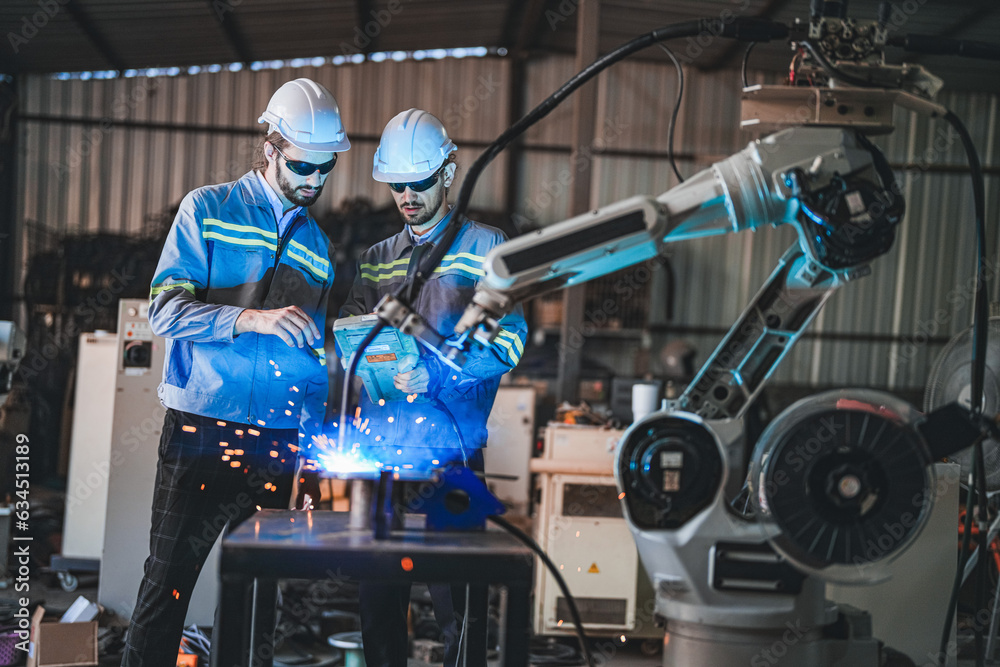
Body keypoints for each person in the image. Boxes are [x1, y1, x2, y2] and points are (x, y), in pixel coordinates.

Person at [123, 78, 350, 667]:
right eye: (303, 166)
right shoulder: (208, 209)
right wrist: (249, 318)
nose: (314, 182)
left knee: (257, 599)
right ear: (270, 145)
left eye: (325, 170)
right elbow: (164, 310)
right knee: (166, 585)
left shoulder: (318, 247)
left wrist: (316, 447)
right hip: (201, 429)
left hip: (276, 442)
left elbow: (311, 358)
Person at [340, 109, 528, 667]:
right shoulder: (376, 260)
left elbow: (508, 343)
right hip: (382, 458)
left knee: (460, 606)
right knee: (378, 605)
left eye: (418, 182)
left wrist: (438, 373)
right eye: (396, 184)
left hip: (453, 456)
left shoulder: (486, 249)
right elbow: (351, 334)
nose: (406, 195)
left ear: (449, 172)